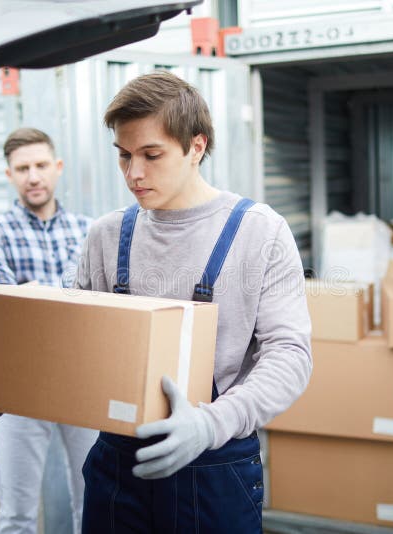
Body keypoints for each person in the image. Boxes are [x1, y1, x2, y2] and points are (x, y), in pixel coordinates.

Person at [76, 72, 312, 532]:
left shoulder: (259, 231)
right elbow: (79, 342)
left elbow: (290, 355)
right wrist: (22, 380)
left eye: (151, 155)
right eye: (123, 156)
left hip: (214, 467)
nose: (133, 174)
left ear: (196, 147)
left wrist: (210, 424)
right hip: (118, 468)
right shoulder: (105, 236)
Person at [0, 127, 98, 534]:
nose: (33, 176)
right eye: (22, 168)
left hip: (81, 380)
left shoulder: (88, 231)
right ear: (9, 174)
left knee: (93, 499)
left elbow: (97, 301)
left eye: (41, 165)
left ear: (57, 168)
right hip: (20, 385)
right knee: (16, 511)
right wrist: (63, 296)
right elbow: (3, 307)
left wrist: (31, 295)